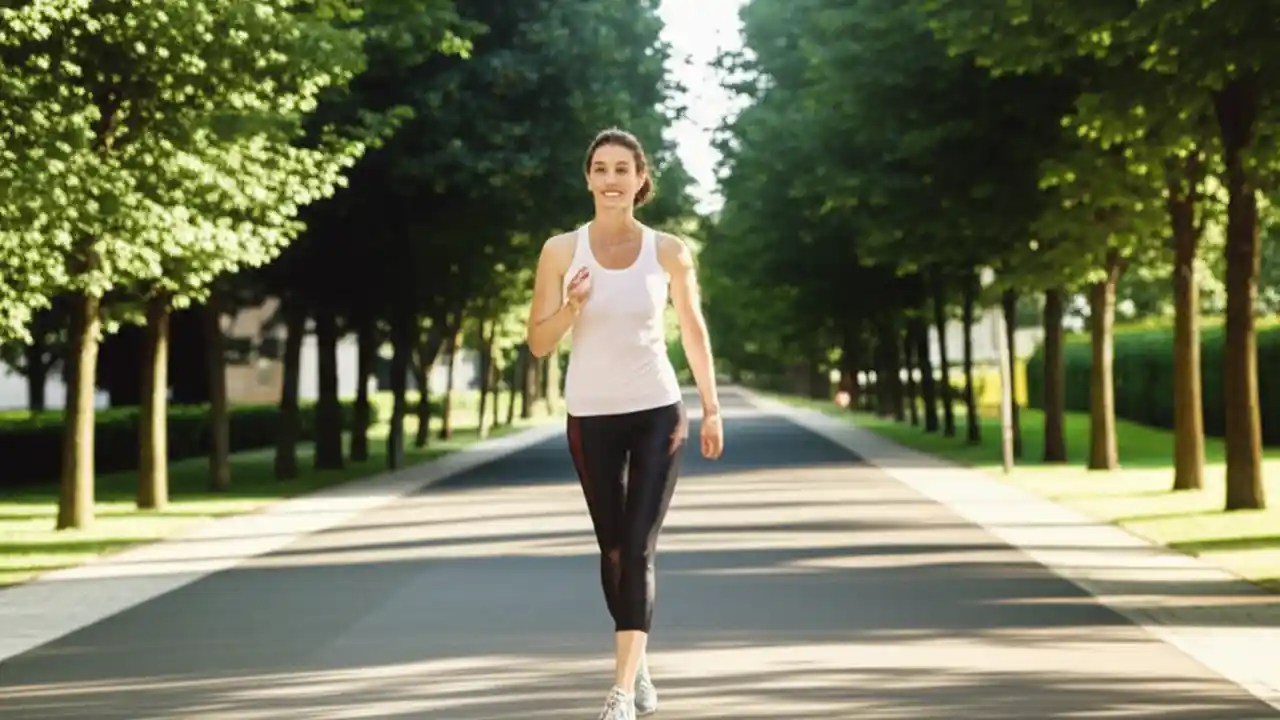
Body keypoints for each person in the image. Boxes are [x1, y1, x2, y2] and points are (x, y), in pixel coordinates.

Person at [526, 127, 725, 719]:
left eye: (623, 169)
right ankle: (638, 658)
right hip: (590, 414)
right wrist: (572, 306)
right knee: (612, 549)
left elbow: (692, 328)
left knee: (637, 547)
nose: (611, 179)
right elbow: (538, 343)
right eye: (601, 168)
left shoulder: (669, 251)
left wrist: (711, 407)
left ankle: (620, 692)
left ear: (641, 180)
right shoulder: (560, 252)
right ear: (588, 178)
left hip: (657, 410)